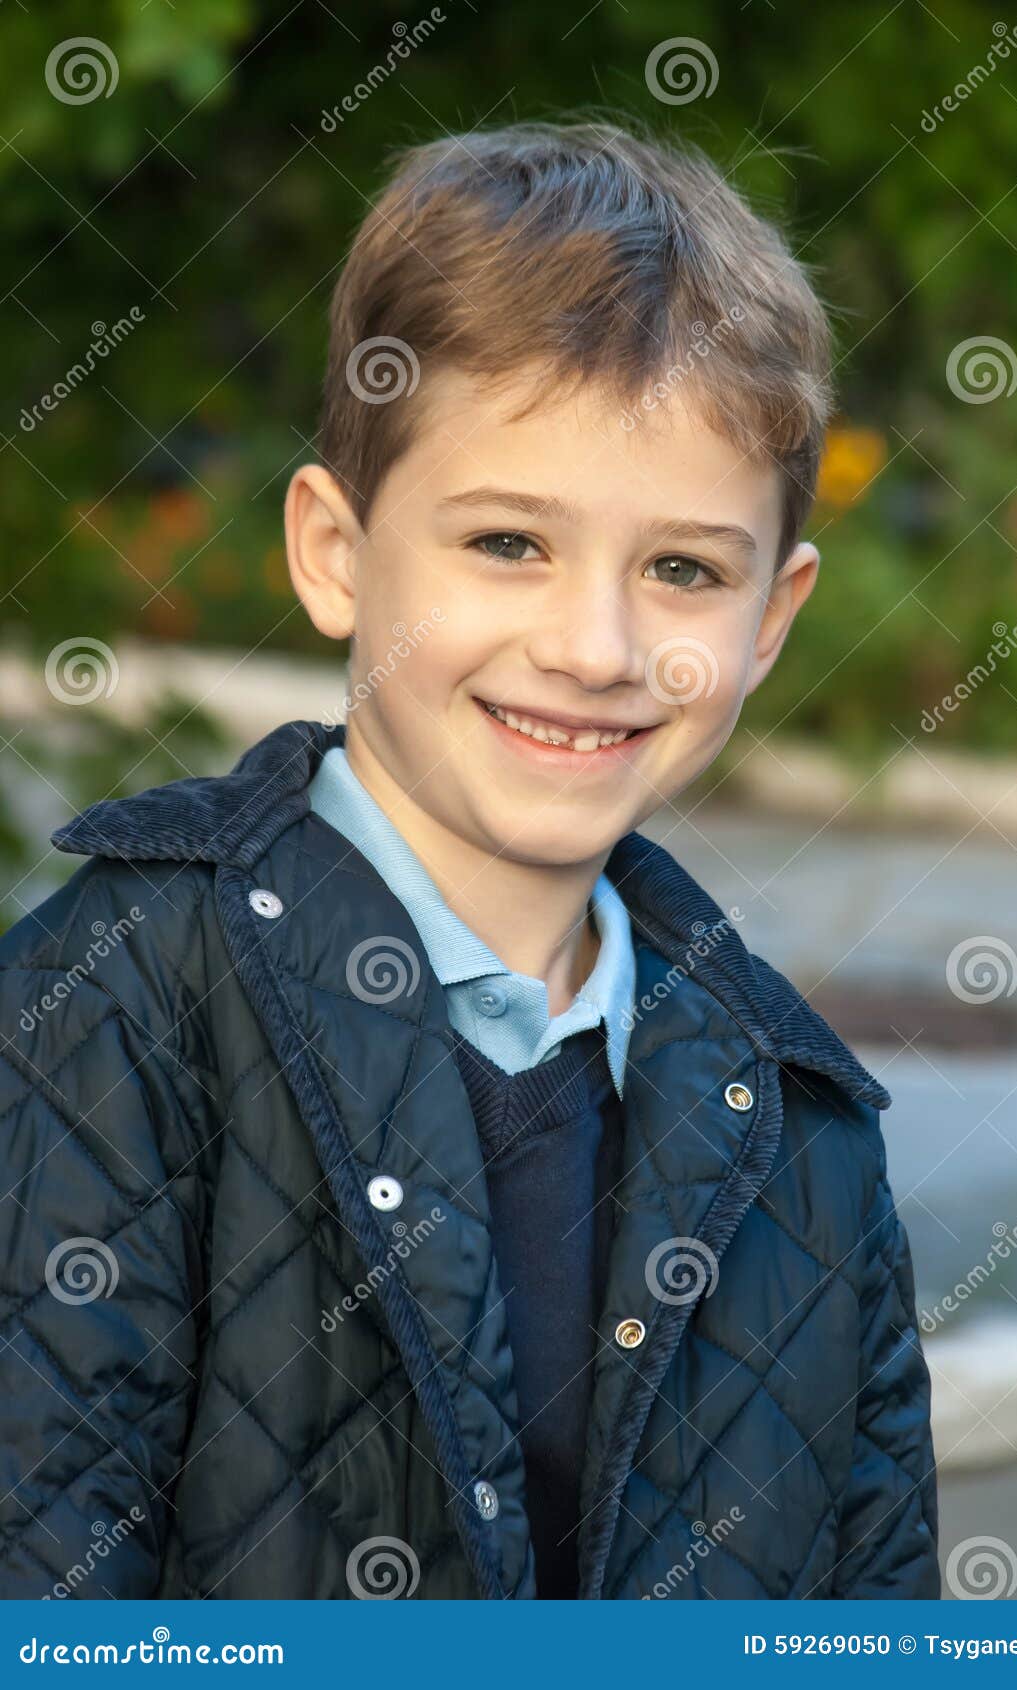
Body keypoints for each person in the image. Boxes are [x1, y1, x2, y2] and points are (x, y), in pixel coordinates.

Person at [0, 120, 938, 1600]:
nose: (594, 647)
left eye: (682, 569)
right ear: (335, 551)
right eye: (507, 543)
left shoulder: (804, 1135)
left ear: (770, 618)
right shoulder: (108, 1010)